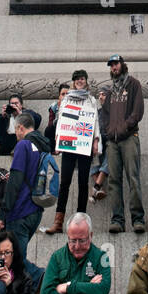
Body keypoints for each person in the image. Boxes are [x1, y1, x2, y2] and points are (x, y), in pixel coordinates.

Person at [0, 112, 51, 272]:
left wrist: (2, 213)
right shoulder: (42, 147)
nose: (16, 136)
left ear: (20, 128)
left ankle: (43, 277)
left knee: (15, 261)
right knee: (16, 261)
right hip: (35, 211)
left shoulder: (23, 145)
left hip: (20, 211)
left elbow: (15, 181)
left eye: (15, 130)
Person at [46, 70, 99, 234]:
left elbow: (95, 120)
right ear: (73, 82)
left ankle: (81, 224)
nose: (80, 81)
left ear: (86, 81)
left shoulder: (91, 99)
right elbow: (62, 119)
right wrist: (58, 140)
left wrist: (96, 140)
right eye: (77, 79)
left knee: (83, 183)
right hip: (69, 143)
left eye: (82, 78)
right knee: (65, 183)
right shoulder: (67, 98)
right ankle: (58, 222)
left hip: (84, 144)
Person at [101, 55, 145, 233]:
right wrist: (109, 130)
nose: (114, 67)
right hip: (113, 141)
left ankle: (137, 219)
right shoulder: (110, 90)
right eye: (111, 65)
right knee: (113, 181)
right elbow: (105, 114)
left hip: (129, 137)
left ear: (123, 65)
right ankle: (117, 219)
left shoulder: (134, 84)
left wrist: (125, 127)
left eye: (116, 64)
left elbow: (138, 110)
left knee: (133, 178)